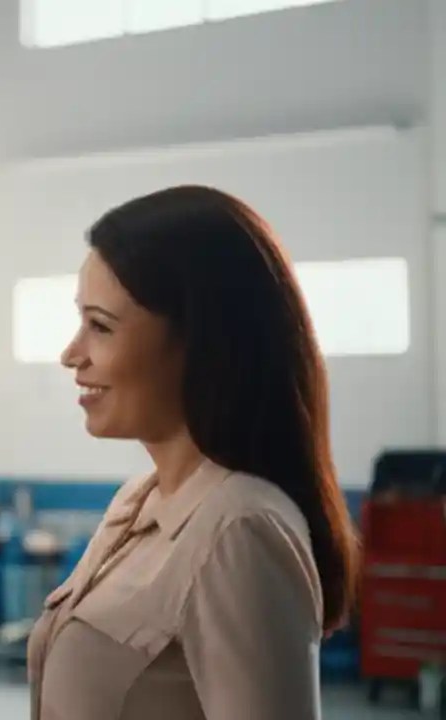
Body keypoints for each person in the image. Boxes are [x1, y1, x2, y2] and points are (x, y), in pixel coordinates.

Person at [27, 185, 360, 720]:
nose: (72, 354)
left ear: (200, 342)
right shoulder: (136, 502)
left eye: (101, 326)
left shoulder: (240, 528)